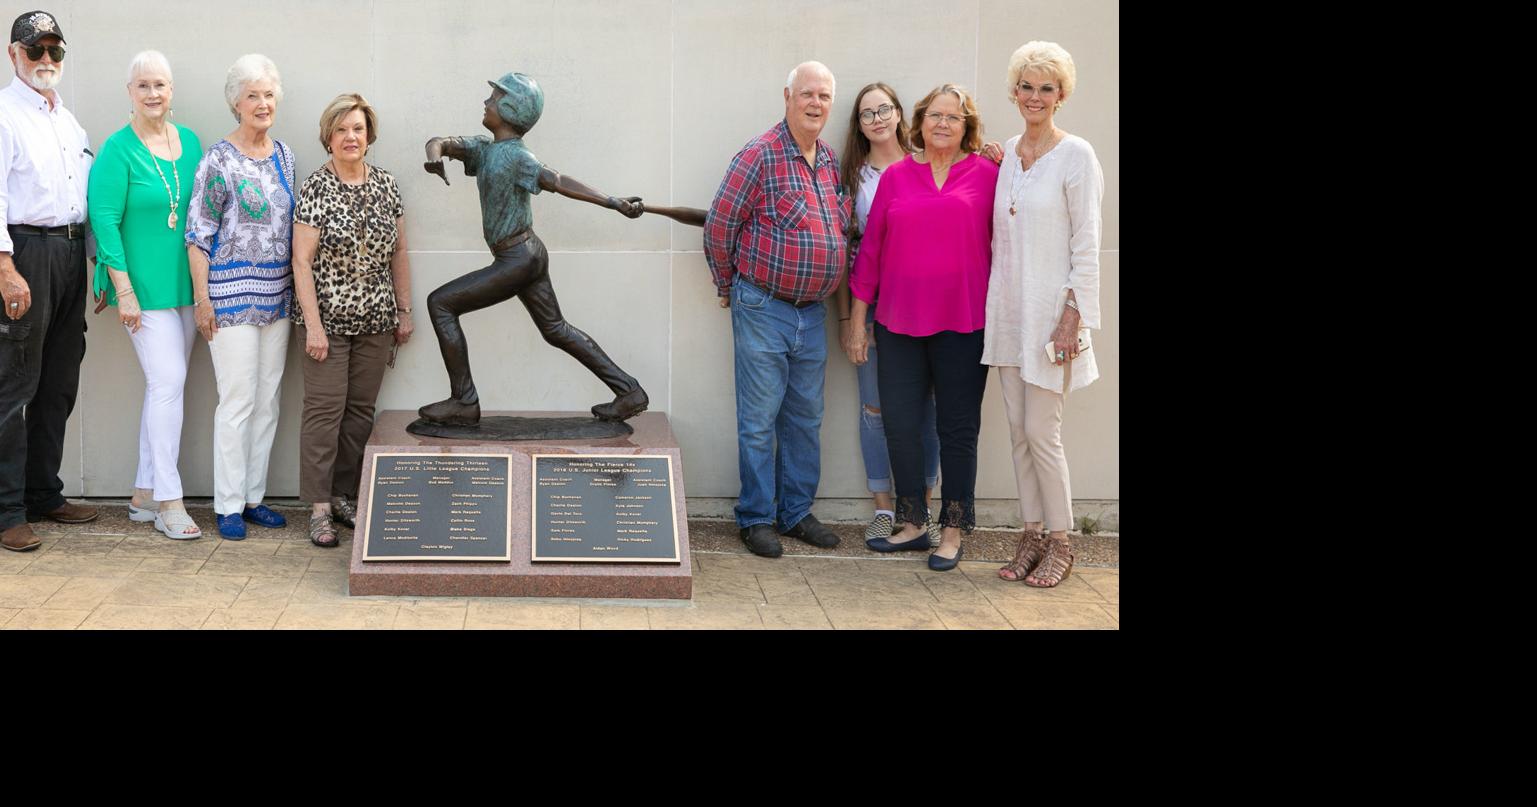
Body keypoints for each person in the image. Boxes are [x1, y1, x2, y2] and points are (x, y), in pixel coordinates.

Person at [418, 71, 648, 427]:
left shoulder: (518, 157)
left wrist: (612, 202)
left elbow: (558, 181)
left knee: (441, 303)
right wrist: (435, 155)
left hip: (519, 258)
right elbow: (442, 142)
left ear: (509, 109)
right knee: (556, 329)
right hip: (525, 254)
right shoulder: (485, 149)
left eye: (493, 98)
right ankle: (629, 391)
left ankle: (464, 401)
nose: (486, 102)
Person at [848, 83, 999, 572]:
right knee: (900, 426)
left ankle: (952, 529)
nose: (942, 124)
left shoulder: (989, 174)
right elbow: (870, 254)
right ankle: (913, 524)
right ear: (919, 121)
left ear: (967, 127)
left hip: (963, 323)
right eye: (935, 115)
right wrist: (856, 321)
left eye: (954, 118)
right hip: (898, 322)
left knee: (957, 430)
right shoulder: (896, 177)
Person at [703, 61, 849, 558]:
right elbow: (720, 225)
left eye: (825, 96)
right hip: (763, 305)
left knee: (805, 419)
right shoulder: (759, 155)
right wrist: (727, 284)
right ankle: (757, 517)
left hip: (813, 313)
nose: (816, 103)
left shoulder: (829, 160)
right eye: (807, 93)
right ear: (787, 96)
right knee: (760, 419)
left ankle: (796, 512)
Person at [985, 41, 1104, 588]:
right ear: (1014, 92)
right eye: (1027, 86)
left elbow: (1087, 246)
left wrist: (1071, 320)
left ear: (1062, 95)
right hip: (1008, 313)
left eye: (1046, 88)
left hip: (1052, 318)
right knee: (1016, 430)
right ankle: (1029, 534)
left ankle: (1061, 540)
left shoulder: (1077, 154)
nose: (1035, 96)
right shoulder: (1008, 151)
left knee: (1042, 431)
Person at [88, 50, 204, 540]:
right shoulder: (118, 149)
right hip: (141, 290)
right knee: (169, 380)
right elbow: (104, 222)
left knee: (166, 388)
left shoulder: (192, 142)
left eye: (160, 84)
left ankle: (140, 492)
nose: (153, 93)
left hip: (186, 287)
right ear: (129, 92)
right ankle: (168, 501)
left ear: (171, 90)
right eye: (143, 86)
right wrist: (124, 291)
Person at [292, 93, 413, 548]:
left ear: (369, 136)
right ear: (328, 136)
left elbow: (399, 251)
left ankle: (345, 495)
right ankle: (320, 507)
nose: (350, 137)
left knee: (360, 413)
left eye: (358, 129)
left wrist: (403, 309)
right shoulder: (315, 188)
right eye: (342, 129)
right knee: (324, 413)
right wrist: (315, 326)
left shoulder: (386, 184)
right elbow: (300, 262)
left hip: (377, 321)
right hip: (327, 322)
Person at [184, 53, 295, 540]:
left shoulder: (285, 156)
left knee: (268, 400)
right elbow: (197, 234)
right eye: (253, 95)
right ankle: (227, 505)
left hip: (278, 298)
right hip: (229, 299)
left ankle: (254, 497)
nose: (262, 103)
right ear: (236, 102)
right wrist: (202, 300)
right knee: (237, 401)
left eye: (269, 94)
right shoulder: (217, 158)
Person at [0, 10, 97, 552]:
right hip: (24, 253)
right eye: (34, 50)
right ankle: (6, 508)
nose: (45, 61)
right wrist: (5, 267)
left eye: (54, 51)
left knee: (58, 380)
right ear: (14, 54)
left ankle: (42, 492)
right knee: (14, 384)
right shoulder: (4, 114)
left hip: (68, 253)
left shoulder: (68, 121)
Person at [832, 82, 940, 548]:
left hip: (927, 303)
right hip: (870, 305)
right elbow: (846, 251)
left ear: (899, 113)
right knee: (874, 407)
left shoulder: (930, 161)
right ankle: (883, 507)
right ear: (858, 125)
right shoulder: (851, 176)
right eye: (865, 114)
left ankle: (924, 509)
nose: (876, 119)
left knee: (927, 409)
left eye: (883, 109)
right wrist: (848, 320)